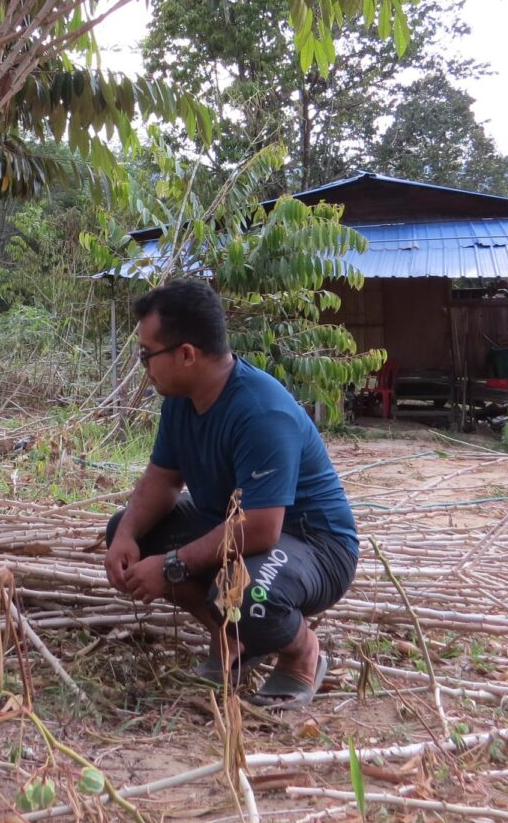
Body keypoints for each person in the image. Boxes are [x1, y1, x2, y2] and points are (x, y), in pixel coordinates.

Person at [104, 278, 359, 708]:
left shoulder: (262, 412)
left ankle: (302, 654)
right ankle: (234, 639)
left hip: (314, 544)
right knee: (127, 531)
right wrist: (128, 534)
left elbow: (260, 528)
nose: (143, 364)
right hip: (240, 526)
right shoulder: (180, 400)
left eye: (147, 354)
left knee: (245, 592)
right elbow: (162, 480)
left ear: (186, 354)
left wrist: (170, 567)